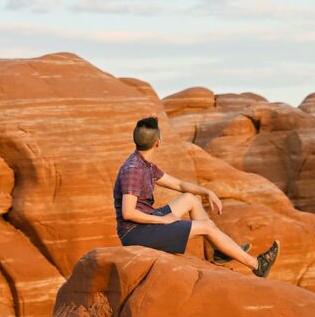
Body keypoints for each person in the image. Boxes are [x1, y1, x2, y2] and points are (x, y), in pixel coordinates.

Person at [113, 115, 279, 278]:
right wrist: (164, 220)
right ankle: (257, 265)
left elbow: (179, 185)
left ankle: (220, 251)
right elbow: (128, 213)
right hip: (136, 234)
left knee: (190, 199)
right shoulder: (133, 170)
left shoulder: (145, 165)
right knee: (206, 226)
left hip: (146, 222)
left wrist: (206, 192)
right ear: (158, 142)